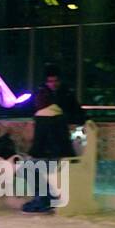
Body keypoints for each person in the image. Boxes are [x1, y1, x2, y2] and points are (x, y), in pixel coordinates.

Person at [23, 63, 84, 214]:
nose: (53, 84)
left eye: (55, 81)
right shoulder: (44, 96)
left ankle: (44, 198)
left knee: (32, 168)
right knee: (30, 168)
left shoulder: (63, 96)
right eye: (50, 81)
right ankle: (44, 197)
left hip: (56, 151)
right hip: (51, 149)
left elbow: (78, 114)